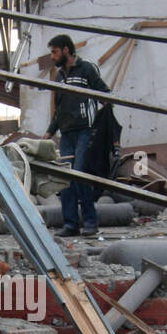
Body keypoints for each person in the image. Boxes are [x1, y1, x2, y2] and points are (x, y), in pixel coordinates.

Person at [42, 34, 109, 236]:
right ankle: (71, 224)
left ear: (66, 50)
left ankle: (90, 222)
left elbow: (104, 94)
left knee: (79, 175)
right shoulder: (60, 76)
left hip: (84, 131)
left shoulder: (87, 69)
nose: (52, 57)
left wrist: (101, 127)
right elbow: (59, 109)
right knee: (65, 180)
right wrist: (49, 132)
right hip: (67, 134)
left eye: (54, 52)